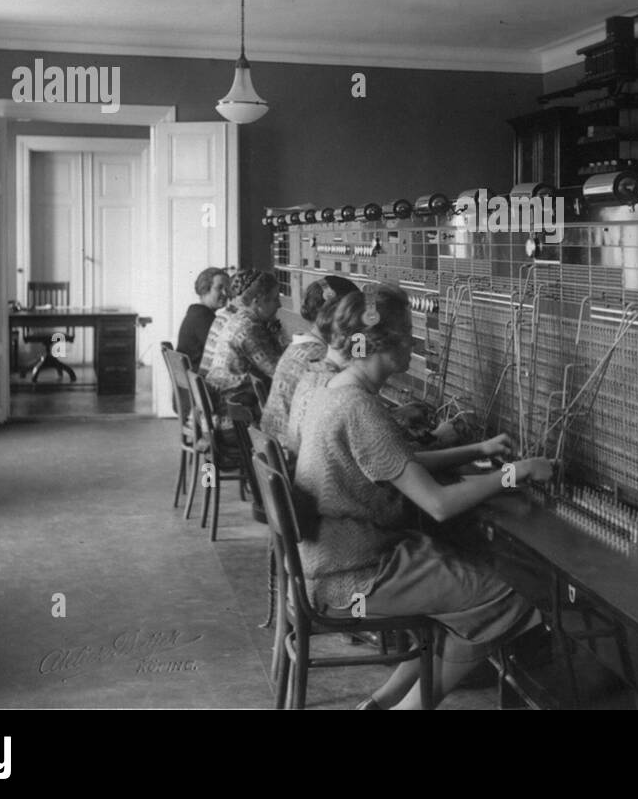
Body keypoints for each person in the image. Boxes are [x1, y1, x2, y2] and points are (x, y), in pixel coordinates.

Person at [293, 283, 553, 710]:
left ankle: (379, 704)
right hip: (355, 580)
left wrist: (476, 451)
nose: (414, 344)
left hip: (332, 563)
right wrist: (514, 473)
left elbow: (398, 463)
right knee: (504, 600)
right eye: (409, 334)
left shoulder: (338, 391)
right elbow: (437, 503)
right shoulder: (361, 410)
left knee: (464, 585)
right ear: (383, 343)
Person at [261, 275, 359, 443]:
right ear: (336, 313)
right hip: (294, 457)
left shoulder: (300, 345)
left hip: (277, 450)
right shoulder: (321, 357)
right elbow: (352, 413)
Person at [198, 269, 286, 410]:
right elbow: (278, 372)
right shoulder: (250, 327)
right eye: (275, 299)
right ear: (258, 302)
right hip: (230, 416)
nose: (279, 305)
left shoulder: (236, 318)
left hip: (219, 405)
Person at [176, 267, 230, 368]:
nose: (225, 293)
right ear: (205, 289)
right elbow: (225, 352)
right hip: (202, 379)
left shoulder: (197, 313)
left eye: (226, 289)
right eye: (219, 288)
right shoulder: (202, 317)